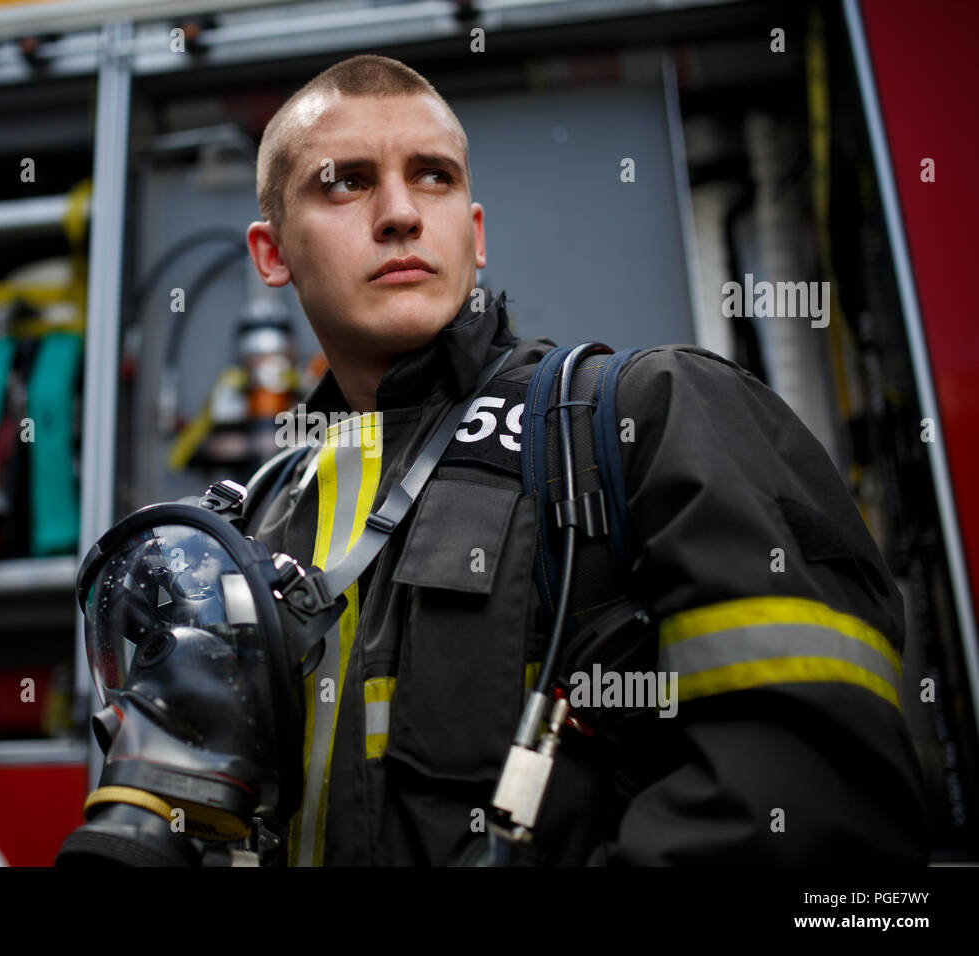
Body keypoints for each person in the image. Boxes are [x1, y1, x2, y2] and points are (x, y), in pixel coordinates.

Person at [243, 53, 929, 866]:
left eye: (434, 177)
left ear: (476, 230)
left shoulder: (653, 412)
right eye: (345, 182)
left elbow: (813, 817)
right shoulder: (266, 523)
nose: (400, 213)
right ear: (272, 252)